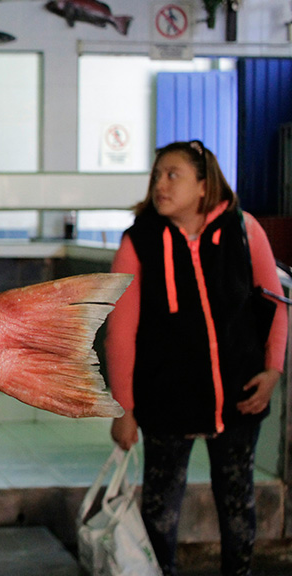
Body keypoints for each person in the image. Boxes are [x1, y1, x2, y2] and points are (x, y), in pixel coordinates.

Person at [106, 140, 288, 576]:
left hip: (240, 395)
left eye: (173, 175)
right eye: (156, 176)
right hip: (166, 399)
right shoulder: (139, 242)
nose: (160, 185)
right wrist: (123, 408)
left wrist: (272, 371)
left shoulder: (244, 230)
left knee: (237, 501)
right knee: (160, 508)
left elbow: (275, 304)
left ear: (204, 186)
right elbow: (120, 331)